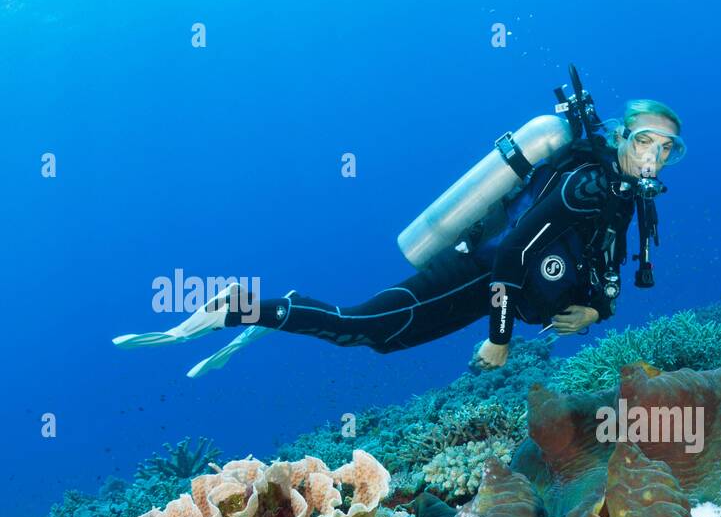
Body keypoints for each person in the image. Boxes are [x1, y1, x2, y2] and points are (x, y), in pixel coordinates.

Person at [113, 97, 683, 376]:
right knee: (359, 328)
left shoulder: (621, 192)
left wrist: (596, 313)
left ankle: (269, 316)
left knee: (376, 338)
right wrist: (500, 339)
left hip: (485, 286)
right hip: (477, 277)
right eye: (645, 141)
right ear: (620, 136)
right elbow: (513, 253)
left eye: (666, 148)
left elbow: (608, 264)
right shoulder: (587, 185)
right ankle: (243, 308)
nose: (654, 157)